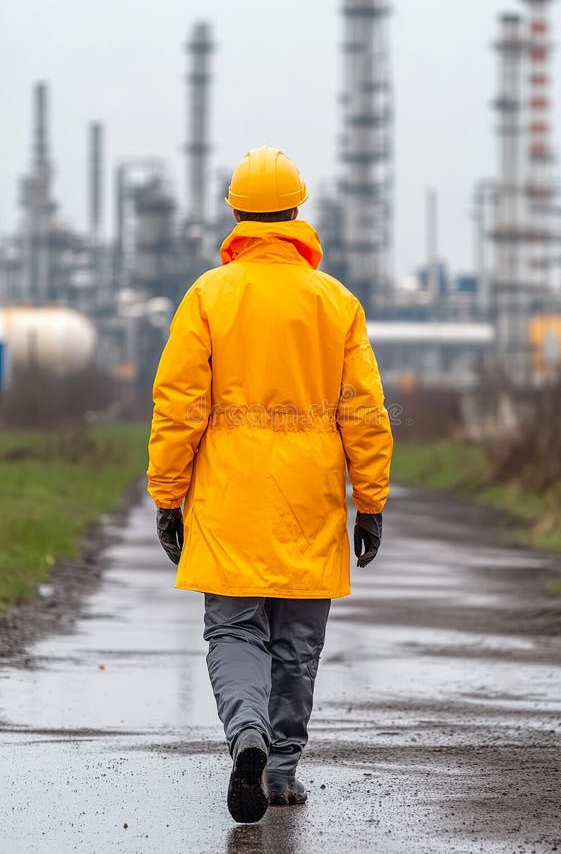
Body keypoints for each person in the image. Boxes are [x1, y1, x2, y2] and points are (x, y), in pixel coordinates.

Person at [147, 146, 393, 824]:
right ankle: (281, 770)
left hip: (229, 495)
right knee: (297, 642)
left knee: (233, 629)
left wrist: (168, 493)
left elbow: (178, 405)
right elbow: (365, 413)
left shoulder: (207, 296)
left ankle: (246, 735)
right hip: (309, 499)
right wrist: (369, 502)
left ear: (236, 215)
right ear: (296, 212)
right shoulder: (336, 302)